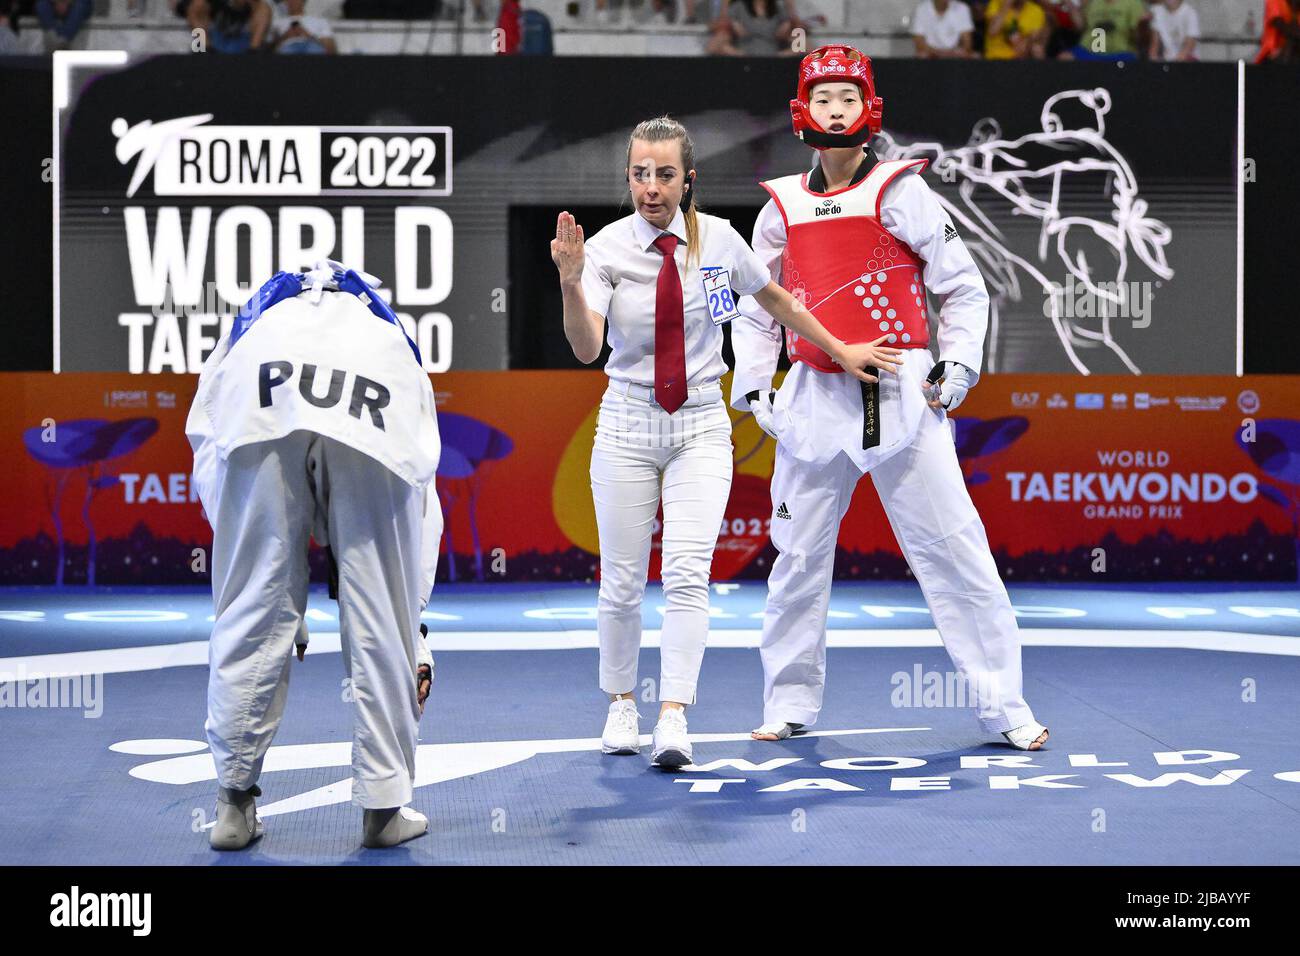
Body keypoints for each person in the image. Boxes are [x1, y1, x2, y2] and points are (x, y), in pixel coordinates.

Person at [731, 45, 1049, 751]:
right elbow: (757, 308)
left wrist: (959, 364)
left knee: (954, 549)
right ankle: (788, 702)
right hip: (814, 392)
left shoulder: (902, 189)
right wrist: (756, 386)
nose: (836, 109)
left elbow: (963, 286)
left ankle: (1006, 707)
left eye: (848, 97)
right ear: (802, 112)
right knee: (798, 557)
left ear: (868, 108)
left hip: (902, 393)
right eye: (824, 98)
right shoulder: (780, 204)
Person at [550, 115, 887, 768]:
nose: (651, 187)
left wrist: (840, 350)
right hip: (624, 423)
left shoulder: (723, 243)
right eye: (640, 174)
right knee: (620, 583)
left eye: (665, 174)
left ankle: (673, 715)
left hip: (701, 425)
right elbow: (587, 348)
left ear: (688, 179)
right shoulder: (608, 251)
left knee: (686, 574)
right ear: (629, 177)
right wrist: (570, 279)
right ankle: (622, 701)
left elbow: (781, 305)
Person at [186, 260, 443, 849]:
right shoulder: (387, 327)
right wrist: (416, 626)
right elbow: (417, 525)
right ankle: (383, 809)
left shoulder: (244, 332)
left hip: (260, 394)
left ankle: (232, 807)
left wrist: (280, 603)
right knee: (383, 611)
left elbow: (214, 469)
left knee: (250, 606)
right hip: (374, 395)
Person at [1063, 0, 1148, 60]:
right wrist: (1071, 6)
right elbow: (1080, 27)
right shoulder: (1092, 2)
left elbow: (1139, 38)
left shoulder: (1133, 2)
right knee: (1064, 58)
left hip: (1120, 52)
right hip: (1088, 50)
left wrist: (1142, 25)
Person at [982, 0, 1048, 58]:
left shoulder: (1036, 11)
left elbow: (1029, 44)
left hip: (1019, 60)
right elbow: (992, 31)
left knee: (1037, 49)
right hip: (994, 58)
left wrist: (1028, 41)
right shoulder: (996, 2)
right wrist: (1006, 5)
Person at [912, 0, 976, 58]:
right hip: (930, 58)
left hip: (955, 59)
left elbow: (967, 45)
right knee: (922, 55)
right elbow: (919, 44)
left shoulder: (962, 8)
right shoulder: (921, 8)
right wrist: (943, 54)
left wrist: (948, 54)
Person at [270, 0, 337, 53]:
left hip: (312, 46)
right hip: (287, 48)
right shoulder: (277, 23)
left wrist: (308, 36)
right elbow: (270, 50)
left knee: (313, 50)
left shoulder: (320, 21)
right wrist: (285, 36)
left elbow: (331, 50)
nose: (292, 2)